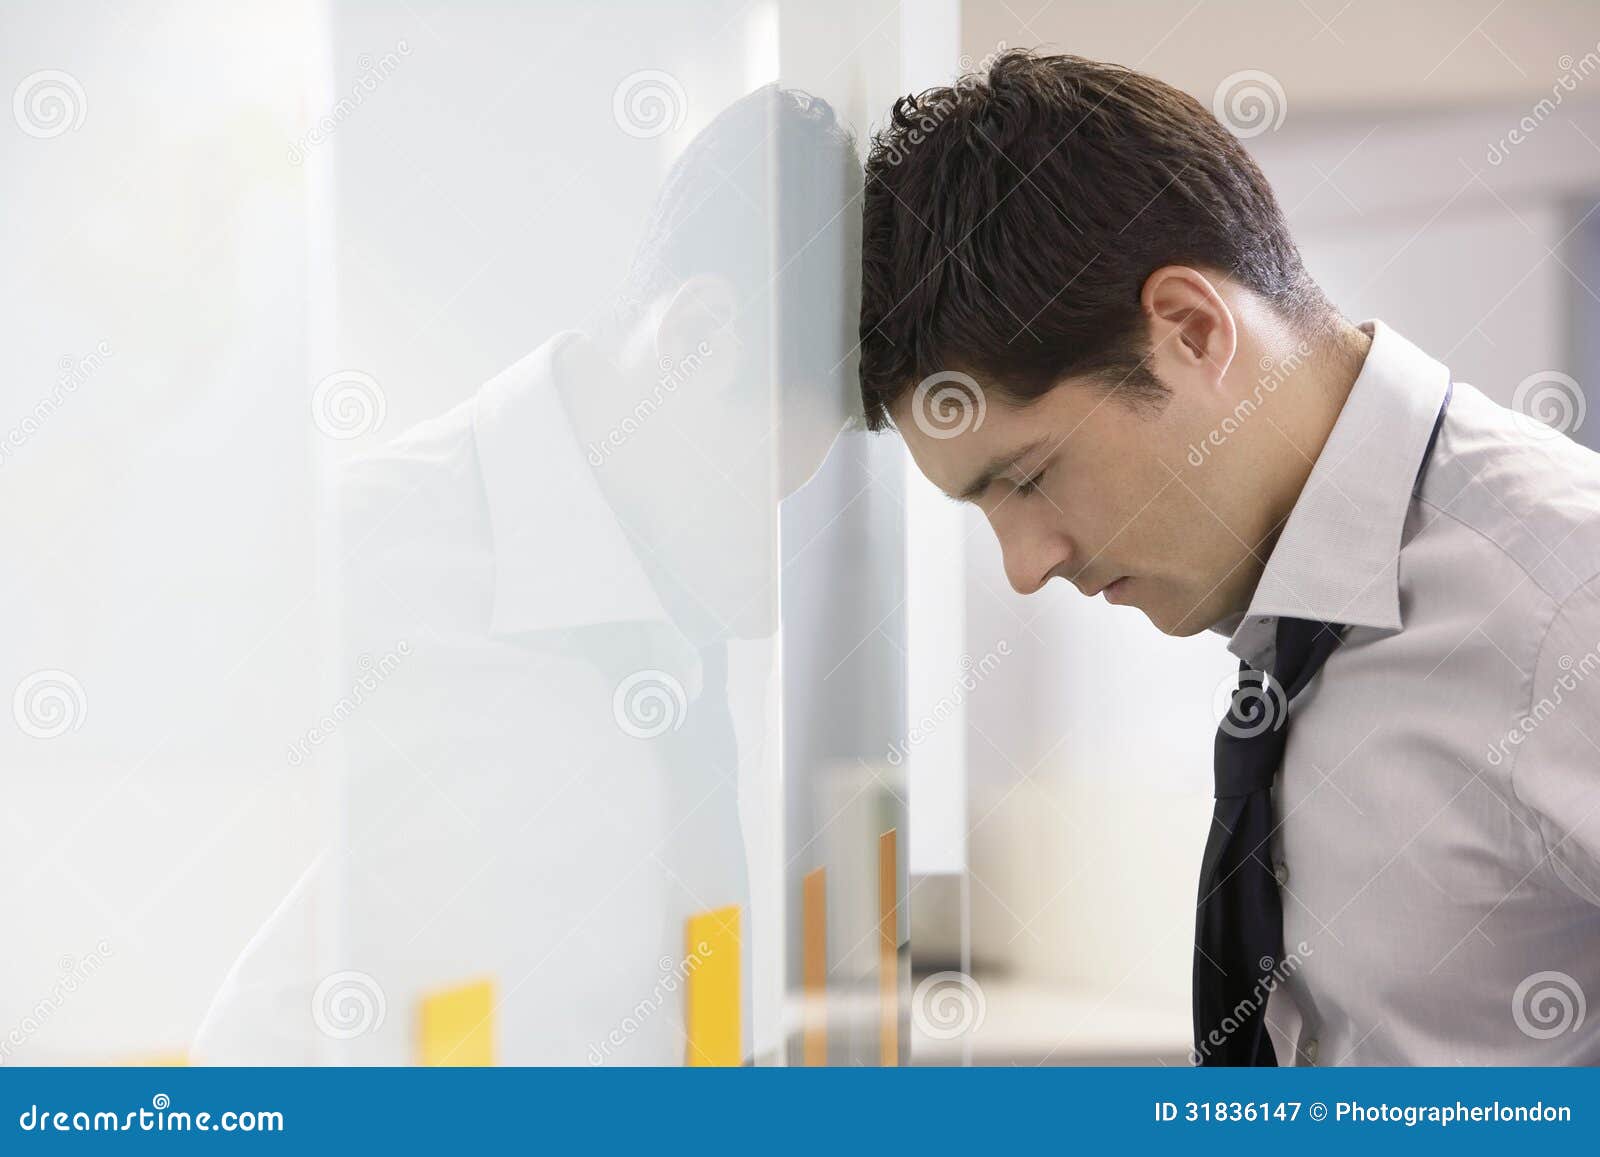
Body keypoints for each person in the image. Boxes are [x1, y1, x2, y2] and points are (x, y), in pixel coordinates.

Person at [858, 49, 1600, 1065]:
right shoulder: (1294, 627)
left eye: (1026, 476)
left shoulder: (1568, 601)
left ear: (1192, 329)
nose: (1025, 566)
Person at [193, 84, 862, 1064]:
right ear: (698, 339)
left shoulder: (675, 594)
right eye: (771, 492)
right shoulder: (363, 557)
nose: (776, 568)